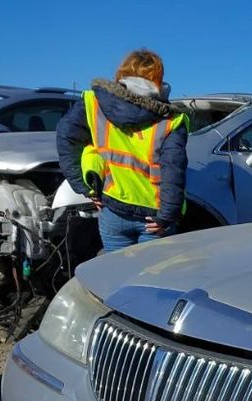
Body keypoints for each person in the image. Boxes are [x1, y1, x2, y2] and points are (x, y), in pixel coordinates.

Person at [56, 49, 189, 252]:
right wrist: (167, 216)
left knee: (116, 278)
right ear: (158, 79)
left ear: (122, 74)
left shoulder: (94, 103)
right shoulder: (172, 120)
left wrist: (85, 188)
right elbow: (173, 170)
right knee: (150, 279)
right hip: (153, 218)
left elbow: (66, 139)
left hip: (113, 211)